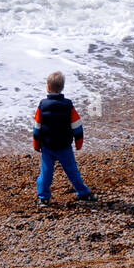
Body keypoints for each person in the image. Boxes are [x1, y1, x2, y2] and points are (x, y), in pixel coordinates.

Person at [32, 71, 93, 205]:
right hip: (64, 146)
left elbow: (37, 128)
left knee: (46, 172)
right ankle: (83, 193)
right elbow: (77, 126)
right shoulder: (68, 105)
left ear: (47, 87)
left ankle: (43, 198)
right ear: (62, 87)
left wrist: (36, 144)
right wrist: (79, 143)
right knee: (72, 171)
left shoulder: (42, 106)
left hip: (47, 146)